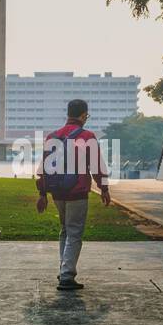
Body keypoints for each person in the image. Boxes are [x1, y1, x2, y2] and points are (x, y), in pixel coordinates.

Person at [34, 99, 110, 291]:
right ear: (83, 115)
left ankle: (64, 268)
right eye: (87, 116)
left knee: (65, 230)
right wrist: (104, 189)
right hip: (77, 192)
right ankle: (67, 276)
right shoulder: (87, 136)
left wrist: (42, 194)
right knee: (74, 232)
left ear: (68, 114)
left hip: (57, 192)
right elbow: (97, 166)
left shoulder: (53, 136)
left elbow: (44, 168)